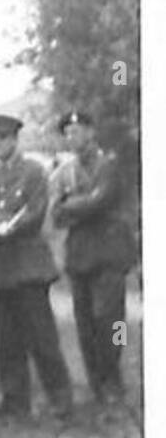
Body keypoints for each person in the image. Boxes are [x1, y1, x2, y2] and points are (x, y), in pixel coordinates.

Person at [0, 113, 73, 419]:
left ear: (15, 139)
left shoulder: (33, 171)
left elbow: (35, 210)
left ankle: (60, 397)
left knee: (42, 337)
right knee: (7, 340)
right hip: (1, 267)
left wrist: (8, 227)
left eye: (3, 138)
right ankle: (14, 399)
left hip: (29, 266)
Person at [51, 109, 135, 406]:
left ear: (90, 132)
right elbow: (56, 215)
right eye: (68, 133)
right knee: (85, 324)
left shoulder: (107, 165)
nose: (72, 137)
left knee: (112, 322)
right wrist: (75, 206)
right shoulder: (66, 171)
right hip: (80, 257)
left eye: (77, 131)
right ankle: (96, 382)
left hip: (109, 254)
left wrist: (71, 204)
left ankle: (114, 379)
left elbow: (101, 200)